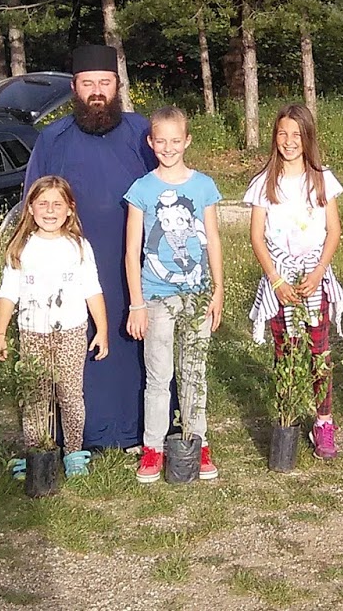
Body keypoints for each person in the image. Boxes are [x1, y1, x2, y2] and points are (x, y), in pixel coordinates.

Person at [23, 45, 156, 451]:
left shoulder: (142, 133)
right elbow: (33, 200)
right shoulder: (53, 138)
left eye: (105, 83)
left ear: (117, 86)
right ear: (74, 88)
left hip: (133, 264)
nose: (96, 91)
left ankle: (140, 431)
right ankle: (81, 435)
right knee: (77, 349)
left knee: (134, 348)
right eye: (87, 84)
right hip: (70, 269)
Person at [123, 106, 225, 483]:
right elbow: (132, 251)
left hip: (197, 296)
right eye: (160, 141)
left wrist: (218, 289)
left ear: (187, 141)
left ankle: (198, 444)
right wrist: (136, 303)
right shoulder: (142, 190)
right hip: (156, 298)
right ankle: (153, 448)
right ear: (151, 143)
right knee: (159, 375)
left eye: (175, 141)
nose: (168, 148)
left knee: (194, 374)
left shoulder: (203, 187)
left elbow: (212, 239)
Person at [246, 103, 343, 459]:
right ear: (275, 137)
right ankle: (286, 415)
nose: (289, 142)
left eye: (296, 135)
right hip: (281, 281)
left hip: (313, 276)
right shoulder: (264, 184)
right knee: (286, 351)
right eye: (282, 134)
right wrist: (275, 280)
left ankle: (323, 422)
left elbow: (333, 230)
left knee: (319, 351)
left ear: (308, 138)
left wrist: (318, 271)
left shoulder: (322, 179)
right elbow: (257, 237)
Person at [0, 177, 110, 477]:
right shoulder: (21, 248)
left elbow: (92, 290)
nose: (49, 210)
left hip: (71, 331)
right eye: (43, 203)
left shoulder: (79, 247)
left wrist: (102, 330)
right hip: (32, 333)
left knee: (70, 394)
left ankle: (73, 452)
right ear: (30, 208)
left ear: (70, 210)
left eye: (57, 204)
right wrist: (0, 334)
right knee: (35, 396)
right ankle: (35, 453)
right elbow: (8, 293)